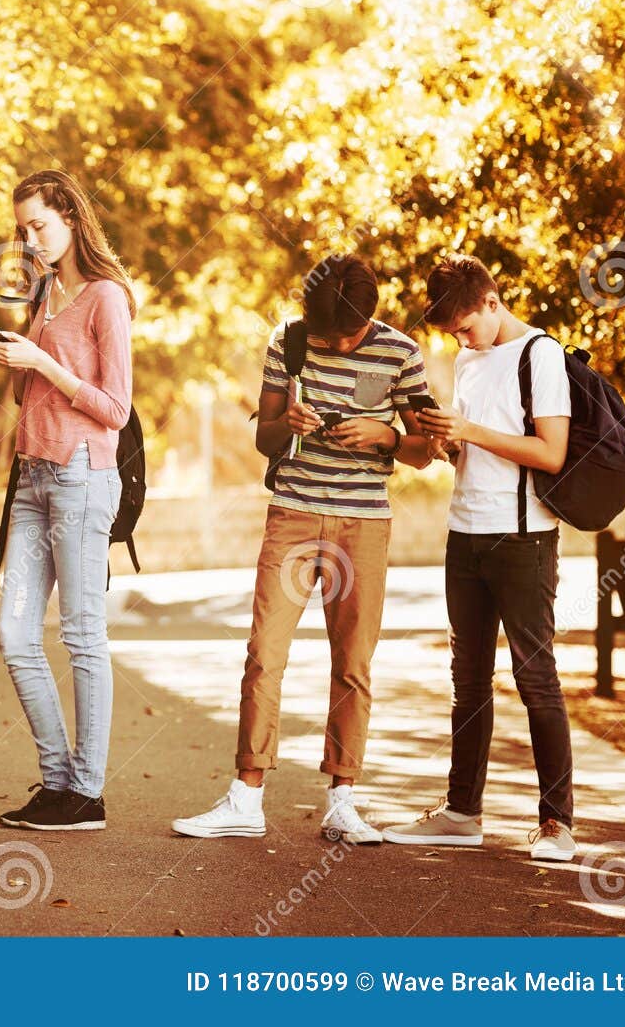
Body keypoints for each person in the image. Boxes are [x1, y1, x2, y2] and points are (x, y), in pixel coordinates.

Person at [172, 256, 434, 843]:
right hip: (292, 515)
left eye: (346, 335)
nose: (334, 345)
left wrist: (386, 436)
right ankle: (246, 797)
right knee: (264, 654)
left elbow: (424, 450)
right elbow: (264, 437)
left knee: (352, 664)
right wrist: (287, 421)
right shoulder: (289, 340)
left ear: (369, 315)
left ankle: (343, 800)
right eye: (326, 336)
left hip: (363, 523)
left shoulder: (400, 353)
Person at [384, 255, 576, 862]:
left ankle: (557, 825)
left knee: (535, 679)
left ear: (492, 301)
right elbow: (473, 452)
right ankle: (463, 812)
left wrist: (468, 431)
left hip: (522, 541)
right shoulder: (469, 359)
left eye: (466, 326)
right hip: (463, 534)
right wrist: (446, 443)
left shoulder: (539, 355)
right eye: (454, 334)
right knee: (468, 682)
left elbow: (551, 452)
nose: (462, 340)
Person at [0, 169, 134, 832]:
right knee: (15, 633)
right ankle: (56, 781)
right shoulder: (45, 291)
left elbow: (115, 408)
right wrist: (19, 364)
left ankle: (88, 791)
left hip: (81, 475)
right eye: (22, 229)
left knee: (80, 634)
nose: (30, 239)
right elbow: (36, 394)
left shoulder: (107, 298)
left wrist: (42, 364)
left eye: (40, 225)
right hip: (33, 477)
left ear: (71, 216)